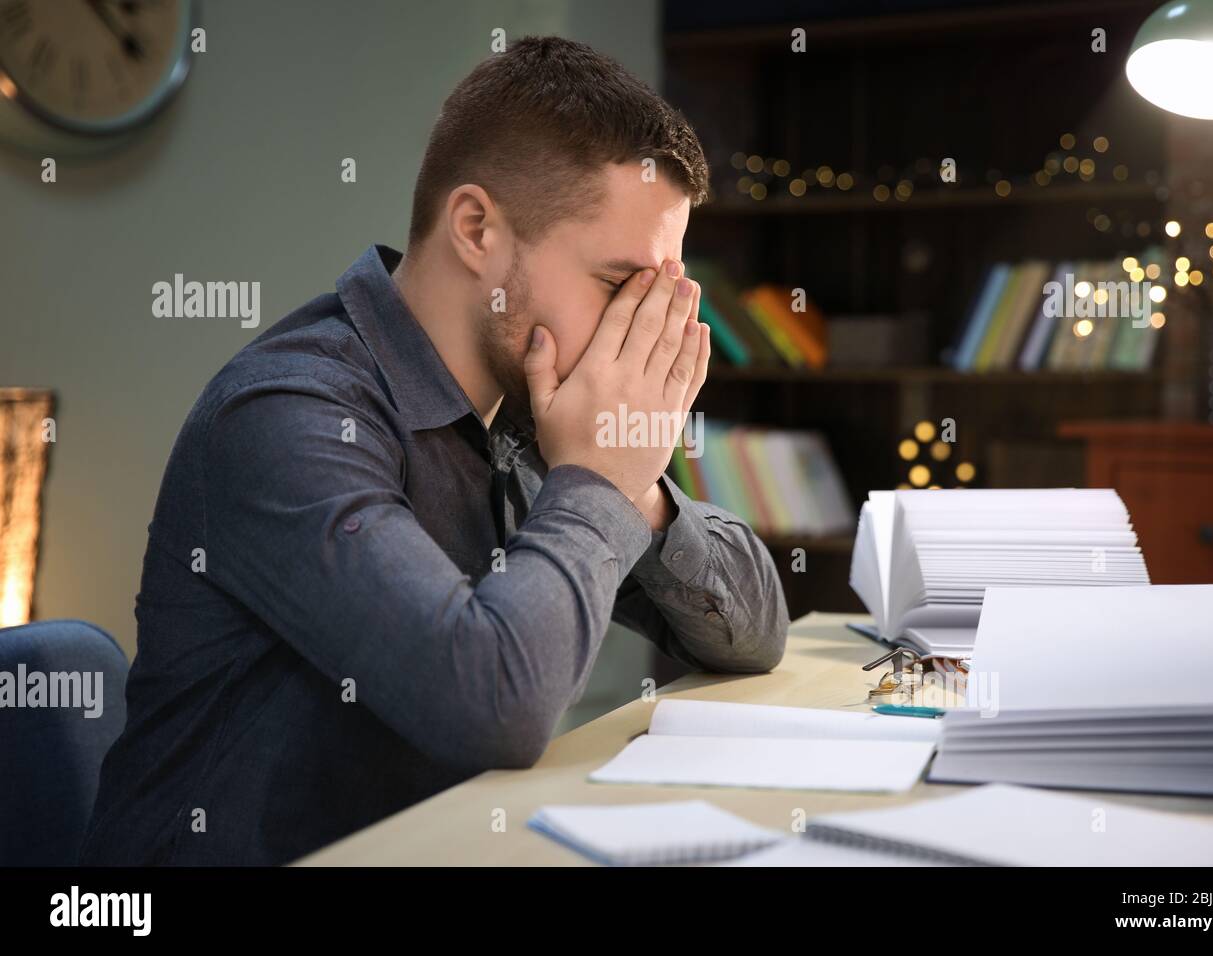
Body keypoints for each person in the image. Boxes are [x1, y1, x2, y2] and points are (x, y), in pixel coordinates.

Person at [81, 35, 788, 867]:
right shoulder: (286, 414)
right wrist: (597, 475)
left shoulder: (536, 406)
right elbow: (492, 704)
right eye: (618, 284)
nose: (642, 328)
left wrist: (634, 483)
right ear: (476, 229)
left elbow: (754, 636)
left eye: (663, 292)